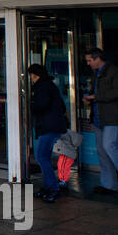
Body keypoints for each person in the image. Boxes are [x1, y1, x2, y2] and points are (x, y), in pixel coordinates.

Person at [83, 47, 118, 194]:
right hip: (99, 116)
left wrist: (95, 97)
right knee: (102, 151)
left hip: (113, 116)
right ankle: (109, 185)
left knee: (109, 146)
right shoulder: (97, 74)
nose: (88, 63)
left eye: (89, 60)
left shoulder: (115, 72)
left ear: (97, 58)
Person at [27, 63, 69, 202]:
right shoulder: (50, 85)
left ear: (34, 75)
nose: (31, 78)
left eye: (31, 76)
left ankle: (53, 188)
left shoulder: (41, 87)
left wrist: (30, 106)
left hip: (48, 126)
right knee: (43, 157)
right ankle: (48, 186)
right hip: (53, 125)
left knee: (41, 157)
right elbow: (62, 107)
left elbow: (41, 105)